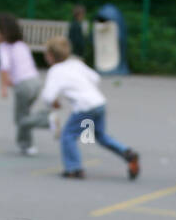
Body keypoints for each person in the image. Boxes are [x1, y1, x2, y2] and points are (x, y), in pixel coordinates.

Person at [37, 35, 139, 180]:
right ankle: (127, 153)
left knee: (68, 136)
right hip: (98, 103)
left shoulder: (56, 71)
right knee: (100, 136)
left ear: (51, 56)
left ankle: (74, 168)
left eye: (46, 54)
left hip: (84, 107)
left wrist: (54, 103)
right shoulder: (76, 64)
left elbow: (48, 96)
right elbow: (95, 77)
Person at [0, 12, 50, 156]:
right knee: (25, 115)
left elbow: (4, 68)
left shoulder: (4, 47)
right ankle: (26, 145)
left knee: (20, 119)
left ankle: (47, 120)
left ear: (3, 32)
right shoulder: (21, 45)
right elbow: (26, 66)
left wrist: (3, 87)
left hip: (24, 87)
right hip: (36, 83)